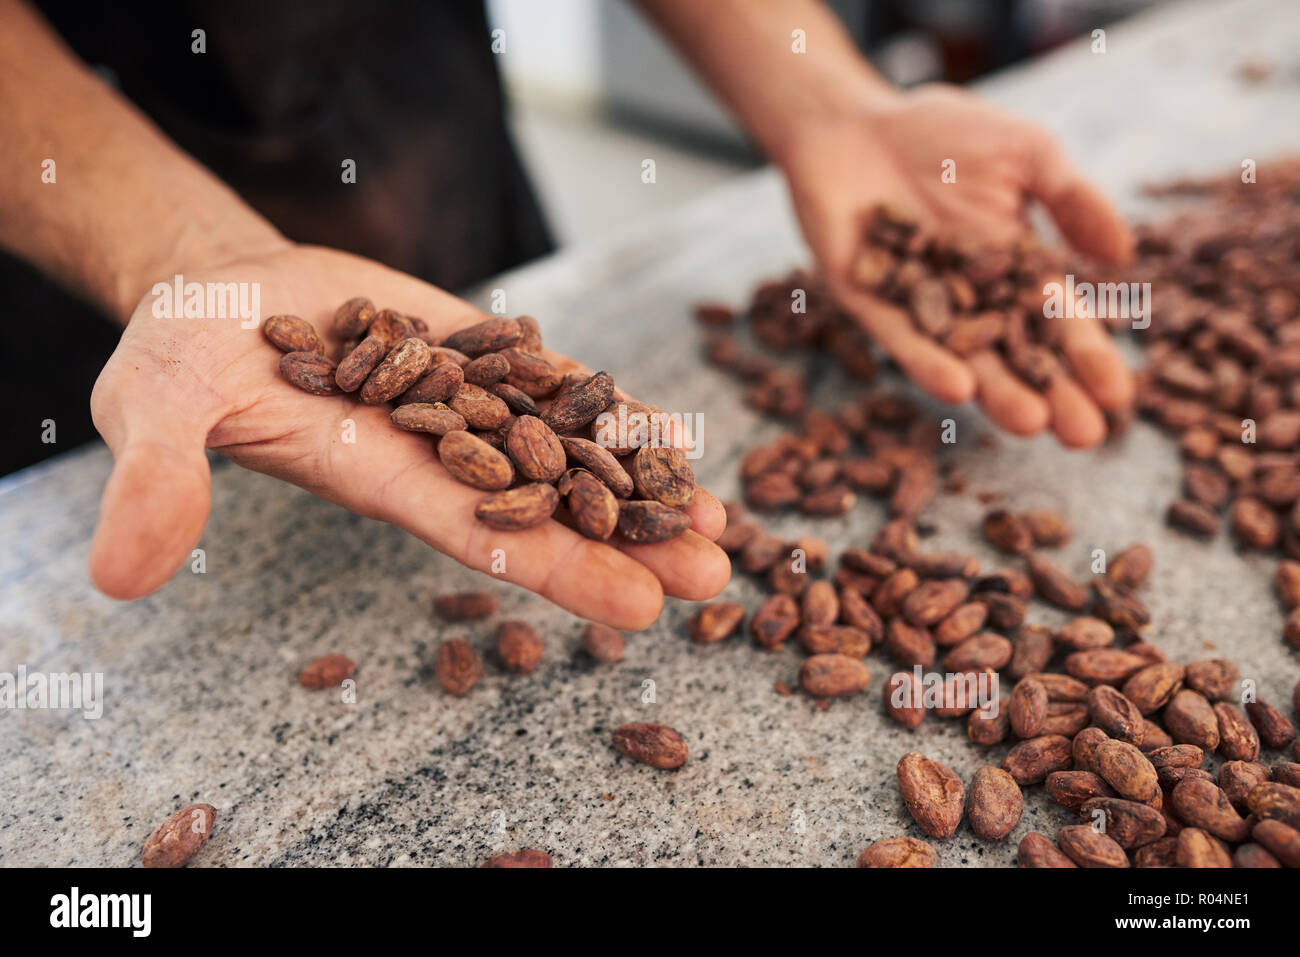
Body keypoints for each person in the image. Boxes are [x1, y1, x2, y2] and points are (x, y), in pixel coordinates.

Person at [0, 0, 1134, 630]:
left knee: (505, 327)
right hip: (63, 189)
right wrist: (188, 259)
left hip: (402, 86)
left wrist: (825, 101)